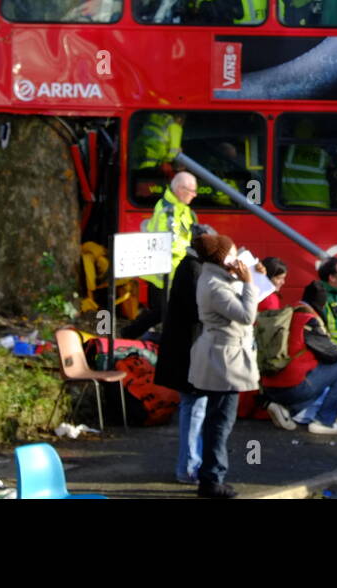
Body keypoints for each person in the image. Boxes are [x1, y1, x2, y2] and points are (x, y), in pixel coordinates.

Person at [186, 233, 258, 499]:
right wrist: (249, 283)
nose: (237, 256)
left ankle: (211, 476)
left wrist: (251, 279)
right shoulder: (215, 285)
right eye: (233, 252)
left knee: (218, 419)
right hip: (223, 360)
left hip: (224, 355)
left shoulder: (219, 278)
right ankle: (212, 480)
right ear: (222, 257)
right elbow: (246, 315)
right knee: (220, 421)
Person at [153, 238, 207, 486]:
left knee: (194, 409)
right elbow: (201, 310)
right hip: (190, 355)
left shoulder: (190, 267)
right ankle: (189, 467)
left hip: (186, 353)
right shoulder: (194, 269)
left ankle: (191, 464)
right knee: (194, 410)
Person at [261, 298, 337, 436]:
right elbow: (332, 355)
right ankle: (324, 421)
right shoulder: (309, 322)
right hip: (293, 387)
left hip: (270, 387)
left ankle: (286, 410)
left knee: (318, 378)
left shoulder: (284, 319)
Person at [124, 171, 198, 340]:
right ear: (180, 189)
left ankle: (133, 334)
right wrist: (192, 255)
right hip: (164, 274)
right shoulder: (169, 211)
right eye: (192, 191)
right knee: (163, 311)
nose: (194, 195)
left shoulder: (181, 209)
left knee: (163, 311)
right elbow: (170, 243)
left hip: (170, 272)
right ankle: (129, 335)